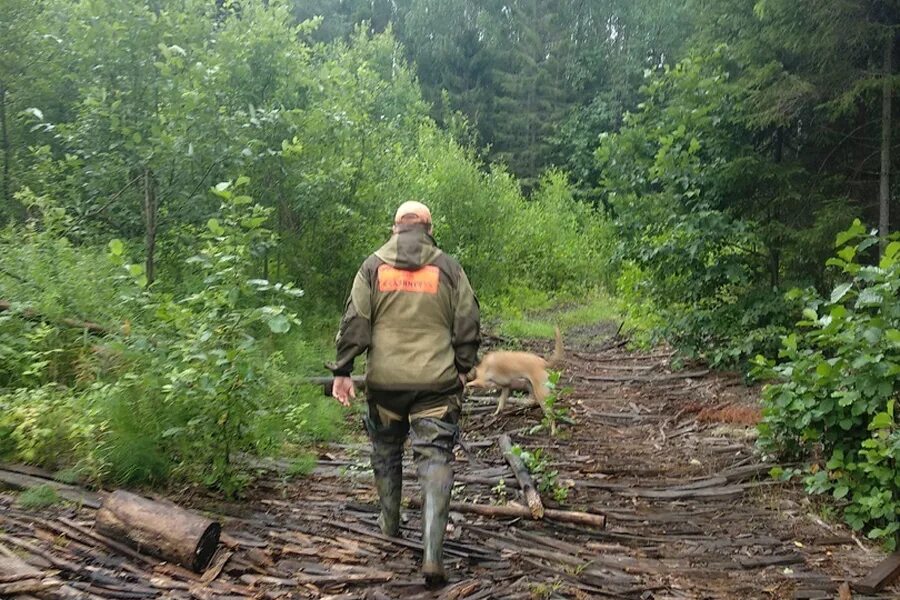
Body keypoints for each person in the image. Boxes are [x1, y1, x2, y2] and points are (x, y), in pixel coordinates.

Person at [328, 200, 481, 587]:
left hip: (385, 386)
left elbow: (355, 321)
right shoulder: (449, 268)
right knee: (435, 457)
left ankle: (390, 524)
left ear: (396, 227)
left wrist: (343, 370)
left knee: (385, 449)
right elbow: (468, 321)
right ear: (429, 227)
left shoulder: (373, 266)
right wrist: (464, 367)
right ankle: (432, 553)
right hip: (437, 386)